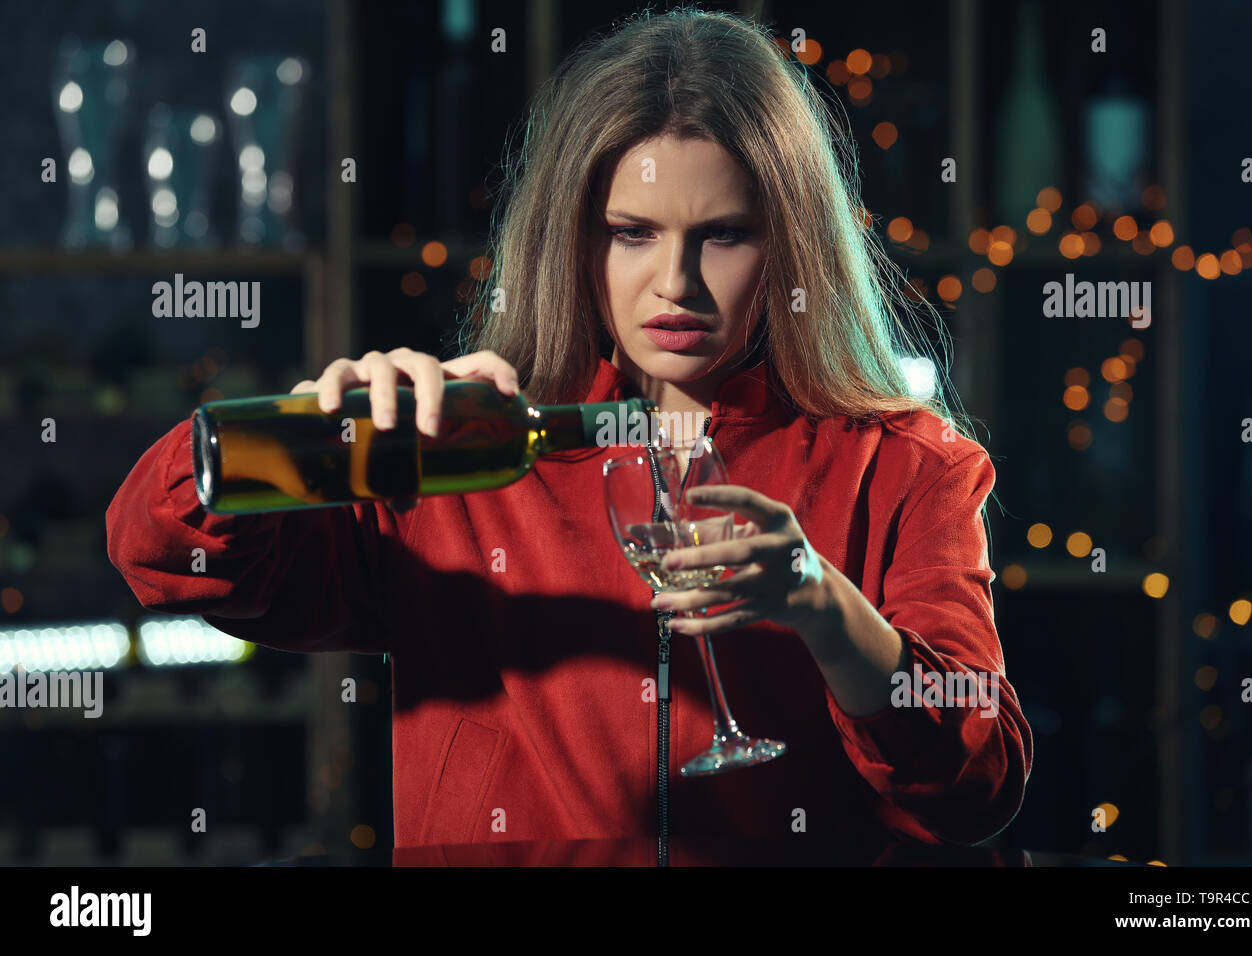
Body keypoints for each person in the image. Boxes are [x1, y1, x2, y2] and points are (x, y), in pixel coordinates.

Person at [106, 7, 1031, 854]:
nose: (676, 282)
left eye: (723, 235)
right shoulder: (455, 452)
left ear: (793, 246)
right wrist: (309, 435)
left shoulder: (906, 465)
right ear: (572, 239)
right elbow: (164, 560)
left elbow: (975, 784)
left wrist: (824, 608)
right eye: (632, 233)